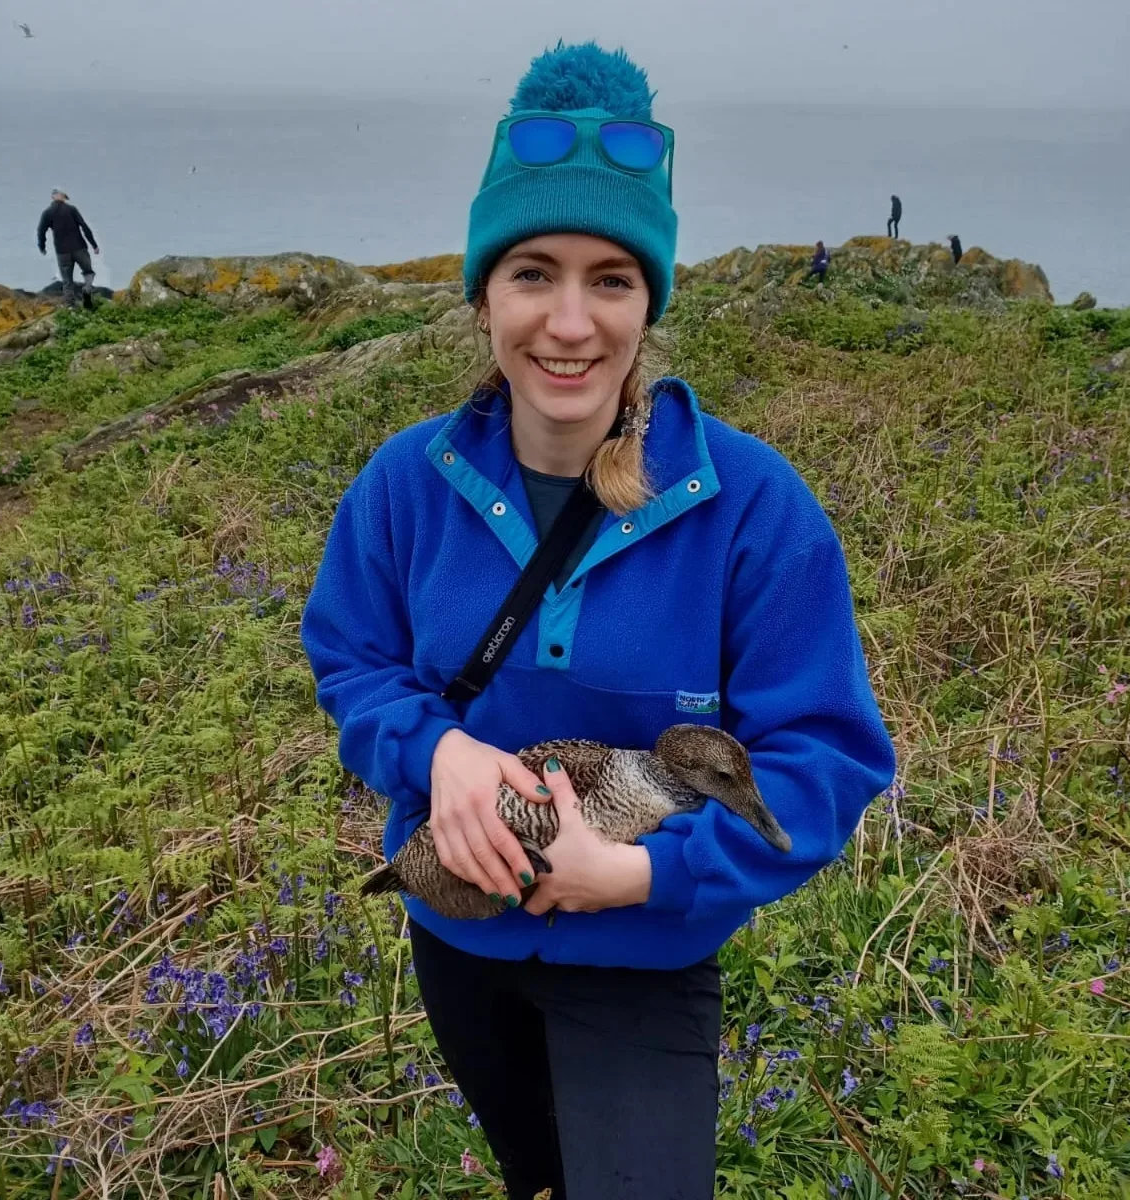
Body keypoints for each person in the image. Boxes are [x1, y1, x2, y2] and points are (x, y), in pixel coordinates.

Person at [302, 40, 895, 1200]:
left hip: (646, 956)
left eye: (610, 280)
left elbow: (826, 758)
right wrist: (439, 753)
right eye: (531, 272)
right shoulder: (403, 485)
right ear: (483, 296)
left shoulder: (753, 508)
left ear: (647, 305)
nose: (568, 323)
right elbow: (354, 661)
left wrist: (640, 880)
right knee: (537, 1176)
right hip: (462, 939)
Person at [37, 189, 100, 309]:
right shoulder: (72, 209)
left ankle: (70, 306)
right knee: (88, 272)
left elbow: (41, 231)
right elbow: (84, 227)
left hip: (62, 252)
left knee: (67, 280)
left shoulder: (47, 213)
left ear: (53, 197)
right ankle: (87, 289)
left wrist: (42, 246)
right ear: (62, 198)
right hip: (79, 247)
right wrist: (94, 245)